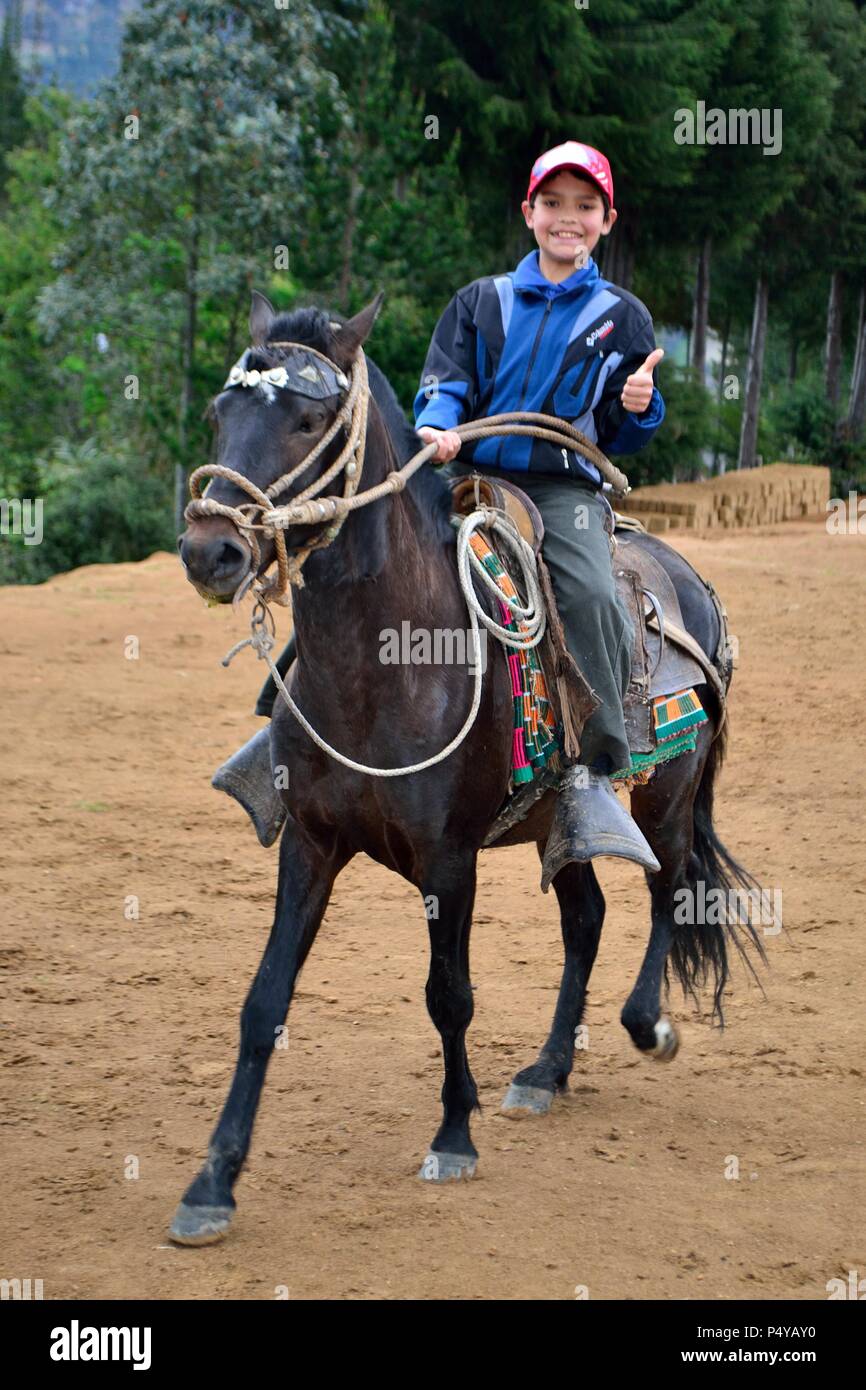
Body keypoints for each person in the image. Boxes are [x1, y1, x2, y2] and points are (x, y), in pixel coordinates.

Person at [411, 140, 666, 873]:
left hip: (560, 488)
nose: (568, 218)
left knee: (587, 591)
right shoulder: (479, 301)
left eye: (585, 206)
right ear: (529, 213)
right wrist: (439, 422)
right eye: (553, 203)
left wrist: (638, 407)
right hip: (471, 472)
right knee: (375, 549)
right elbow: (446, 383)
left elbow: (624, 431)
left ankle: (597, 769)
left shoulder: (623, 316)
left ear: (606, 221)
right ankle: (292, 721)